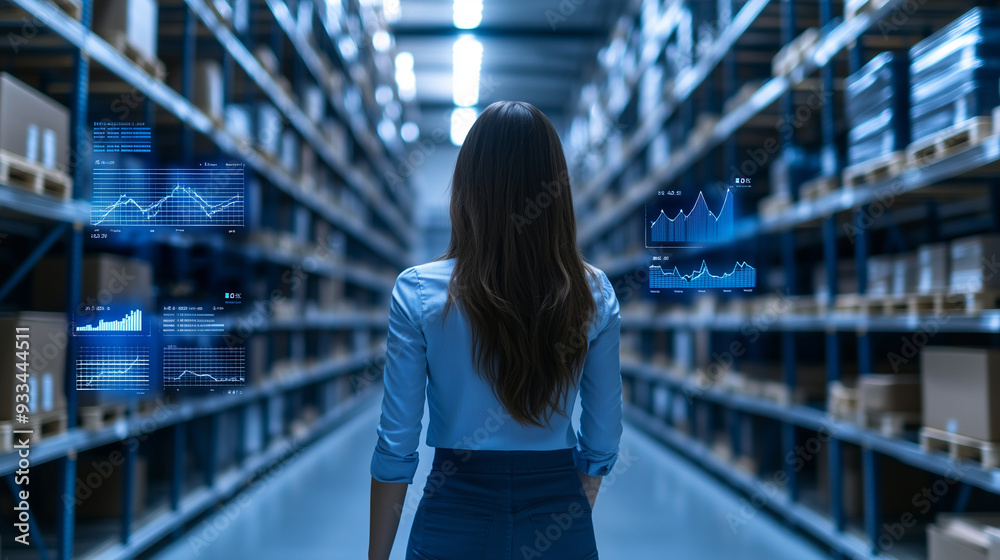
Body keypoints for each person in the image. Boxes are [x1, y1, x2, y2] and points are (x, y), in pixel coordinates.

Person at [368, 100, 622, 560]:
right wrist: (564, 510)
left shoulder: (419, 292)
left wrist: (376, 557)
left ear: (467, 186)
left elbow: (396, 442)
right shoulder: (594, 293)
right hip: (558, 511)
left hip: (454, 511)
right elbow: (603, 434)